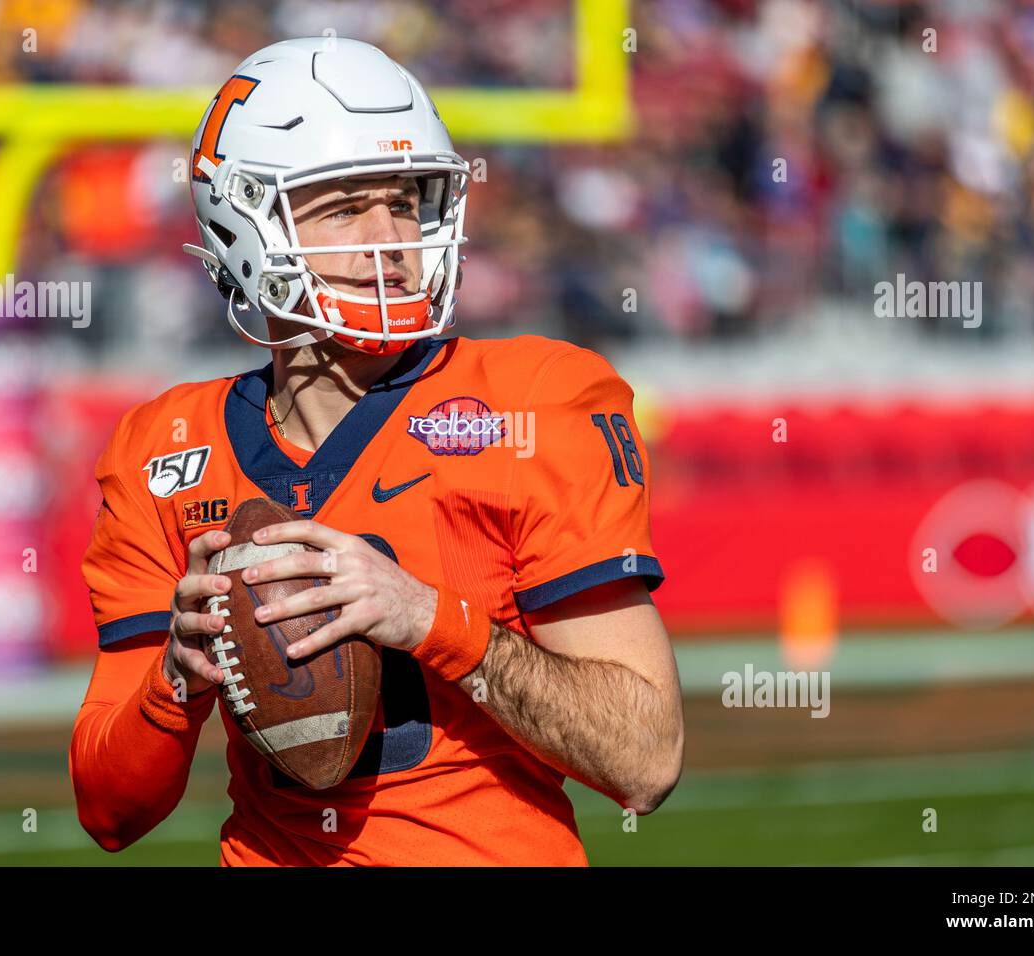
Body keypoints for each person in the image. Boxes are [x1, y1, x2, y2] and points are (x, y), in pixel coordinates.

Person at [69, 37, 683, 866]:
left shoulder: (531, 401)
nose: (390, 236)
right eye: (342, 205)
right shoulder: (166, 447)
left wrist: (430, 619)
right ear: (243, 222)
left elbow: (645, 761)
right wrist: (176, 685)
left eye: (407, 200)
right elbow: (110, 813)